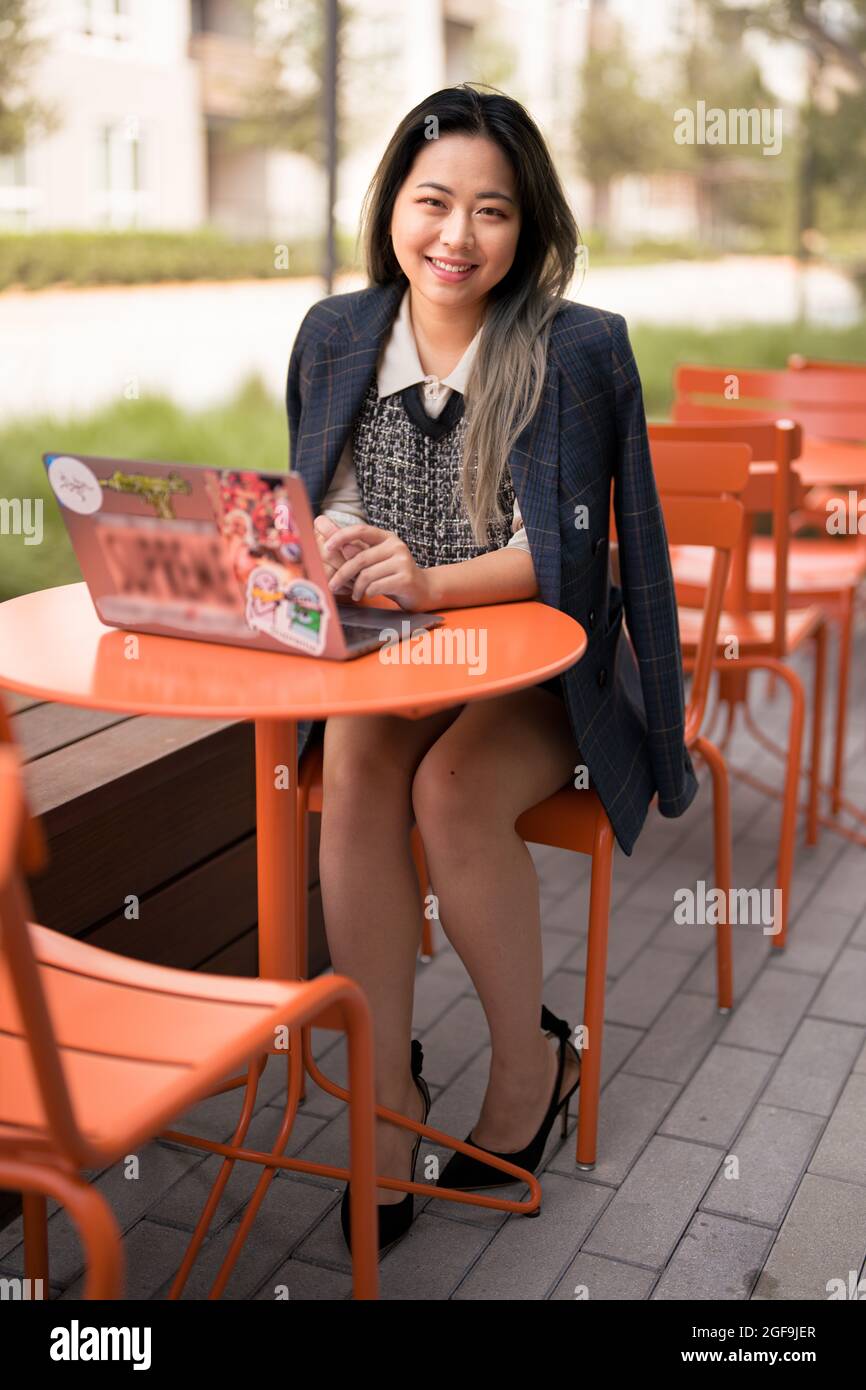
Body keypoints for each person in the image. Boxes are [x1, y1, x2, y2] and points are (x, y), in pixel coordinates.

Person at [285, 83, 698, 1256]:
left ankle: (529, 1067)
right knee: (360, 766)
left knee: (451, 790)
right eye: (431, 203)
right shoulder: (333, 334)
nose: (455, 237)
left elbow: (563, 555)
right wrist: (333, 546)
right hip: (397, 653)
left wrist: (425, 580)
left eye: (491, 211)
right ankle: (384, 1106)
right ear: (392, 209)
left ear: (529, 228)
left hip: (537, 664)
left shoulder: (574, 348)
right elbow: (331, 495)